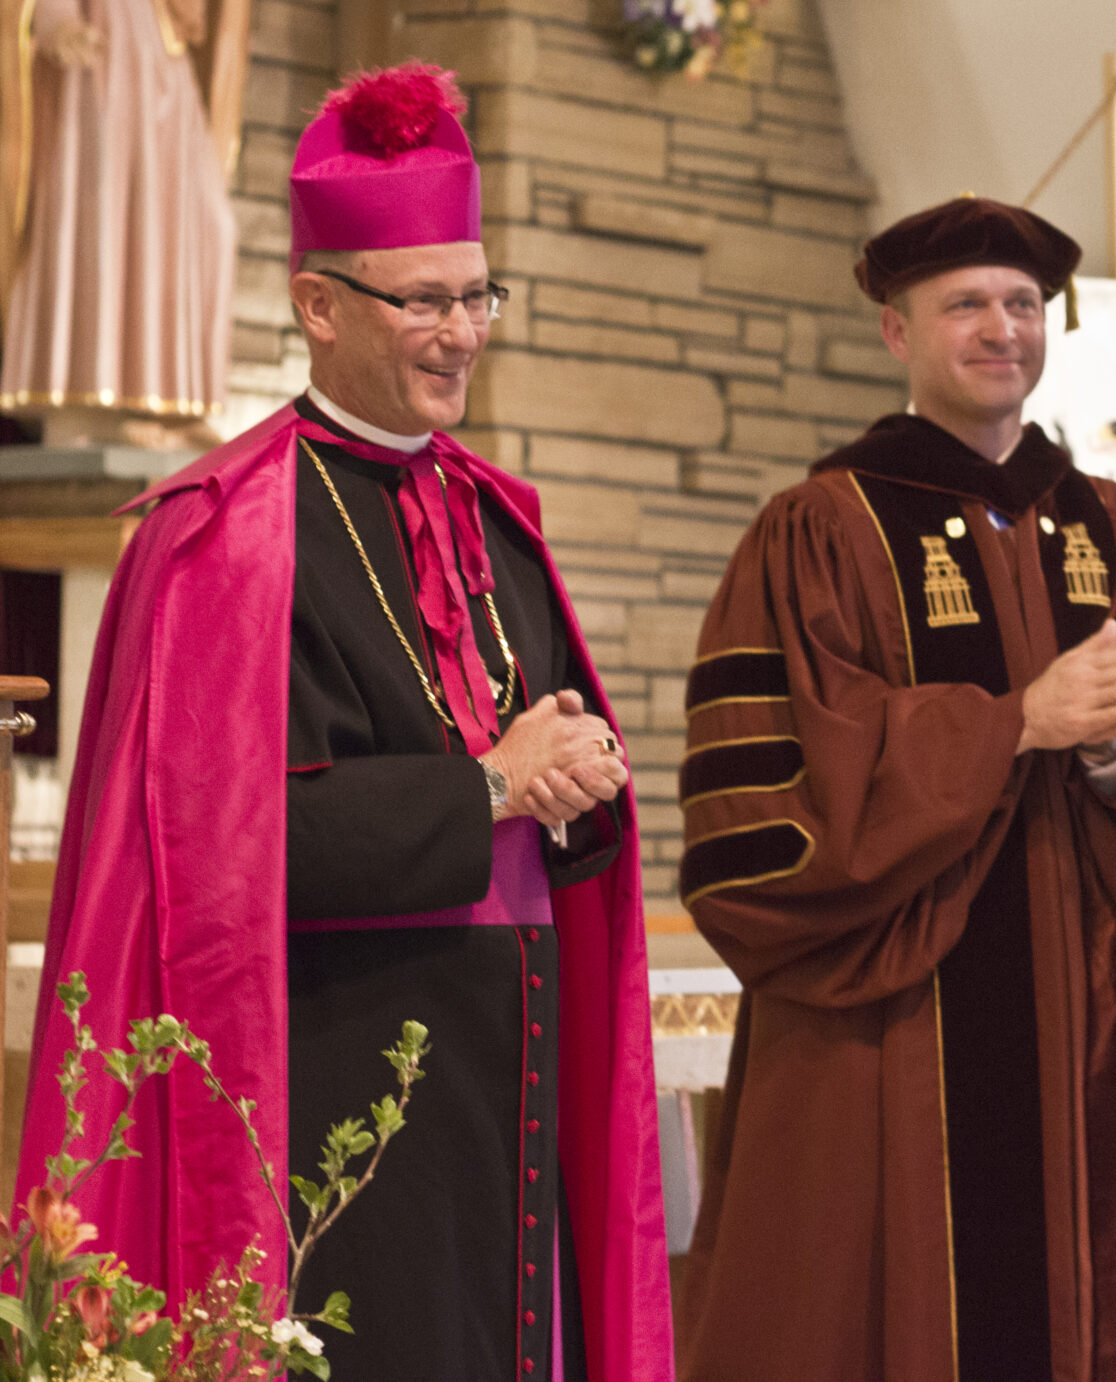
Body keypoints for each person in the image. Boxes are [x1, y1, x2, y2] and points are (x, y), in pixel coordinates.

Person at [15, 64, 672, 1381]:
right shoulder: (228, 536)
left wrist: (582, 784)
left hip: (512, 1087)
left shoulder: (496, 516)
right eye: (423, 299)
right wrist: (489, 786)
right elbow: (235, 851)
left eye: (477, 293)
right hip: (347, 1099)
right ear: (318, 303)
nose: (461, 331)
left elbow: (551, 806)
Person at [676, 196, 1116, 1382]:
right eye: (964, 305)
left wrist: (1114, 753)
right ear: (897, 335)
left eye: (1019, 305)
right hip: (882, 1025)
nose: (999, 328)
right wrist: (1012, 723)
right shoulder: (817, 533)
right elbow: (768, 801)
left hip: (1083, 1030)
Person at [1, 0, 236, 442]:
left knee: (210, 222)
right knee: (100, 215)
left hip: (162, 53)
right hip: (100, 49)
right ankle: (87, 396)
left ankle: (164, 395)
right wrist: (54, 18)